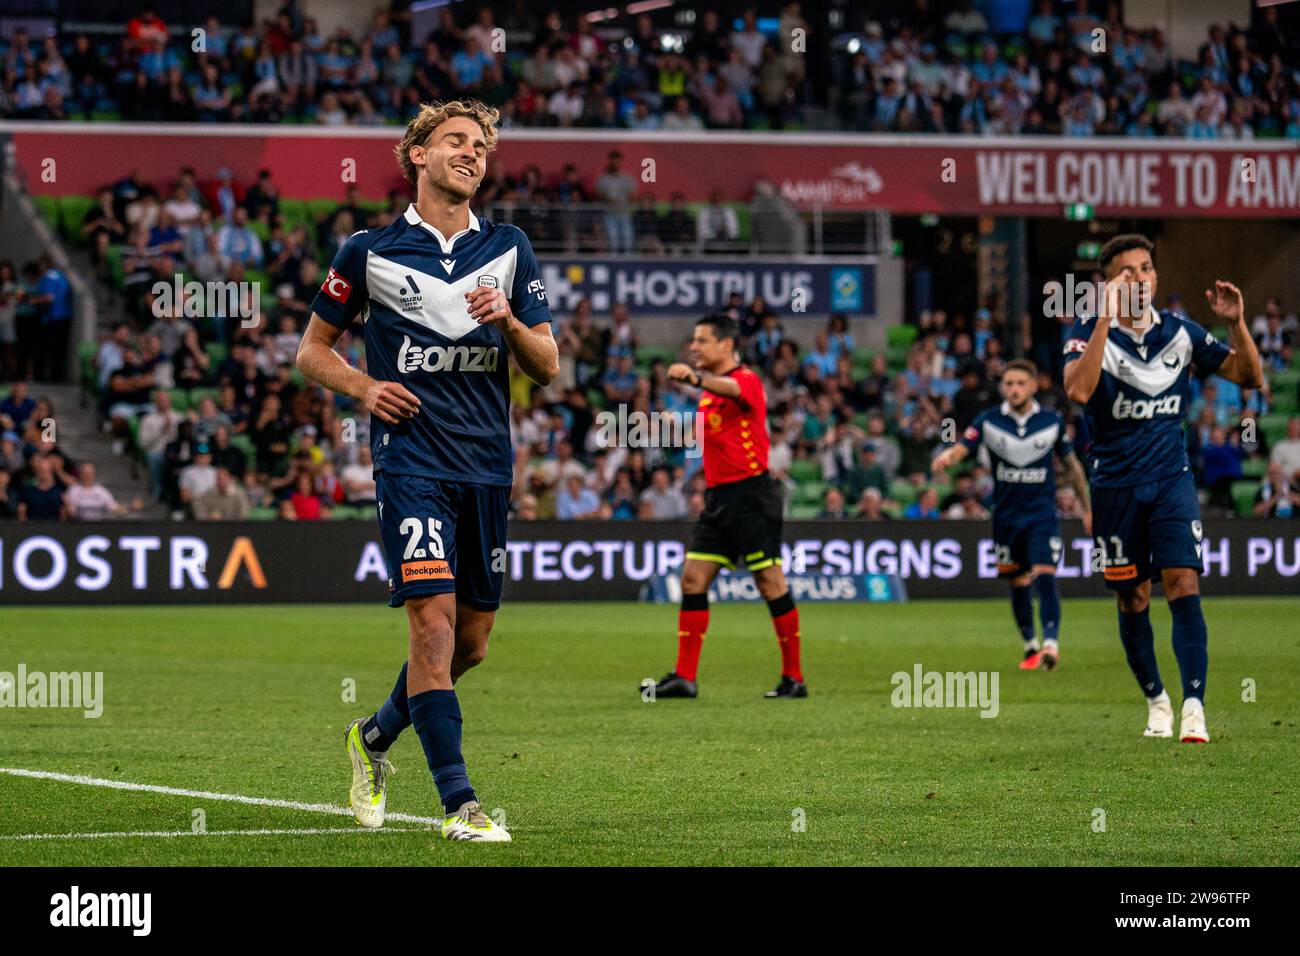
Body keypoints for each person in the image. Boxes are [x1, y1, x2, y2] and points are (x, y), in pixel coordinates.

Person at [296, 99, 557, 843]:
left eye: (481, 146)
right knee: (432, 627)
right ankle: (461, 803)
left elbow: (547, 367)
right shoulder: (367, 251)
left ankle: (372, 738)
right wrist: (364, 387)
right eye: (455, 142)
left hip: (486, 468)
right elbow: (311, 351)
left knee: (471, 643)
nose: (472, 154)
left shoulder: (509, 248)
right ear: (417, 155)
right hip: (410, 462)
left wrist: (507, 321)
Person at [1062, 233, 1263, 743]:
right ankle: (1157, 699)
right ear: (1108, 284)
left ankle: (1194, 707)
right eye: (1127, 271)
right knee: (1133, 598)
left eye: (1146, 268)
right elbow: (1079, 391)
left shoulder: (1180, 332)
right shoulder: (1087, 332)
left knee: (1183, 583)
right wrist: (1104, 318)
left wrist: (1235, 323)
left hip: (1172, 479)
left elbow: (1249, 376)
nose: (1140, 278)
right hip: (1114, 486)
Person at [648, 313, 805, 700]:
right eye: (694, 341)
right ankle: (685, 677)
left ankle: (794, 679)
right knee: (692, 580)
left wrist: (692, 378)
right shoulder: (709, 396)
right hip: (719, 499)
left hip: (752, 496)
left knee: (770, 583)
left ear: (726, 345)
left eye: (702, 340)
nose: (694, 347)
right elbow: (709, 436)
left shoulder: (745, 381)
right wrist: (670, 428)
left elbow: (733, 389)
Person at [933, 359, 1092, 670]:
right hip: (1006, 517)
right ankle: (1030, 646)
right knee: (1017, 582)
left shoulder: (1052, 421)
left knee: (1045, 575)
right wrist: (948, 455)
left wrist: (1088, 510)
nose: (1015, 389)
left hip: (1042, 514)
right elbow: (964, 446)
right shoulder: (988, 420)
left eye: (1021, 383)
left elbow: (1073, 469)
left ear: (1033, 386)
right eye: (1009, 384)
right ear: (1002, 388)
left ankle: (1051, 643)